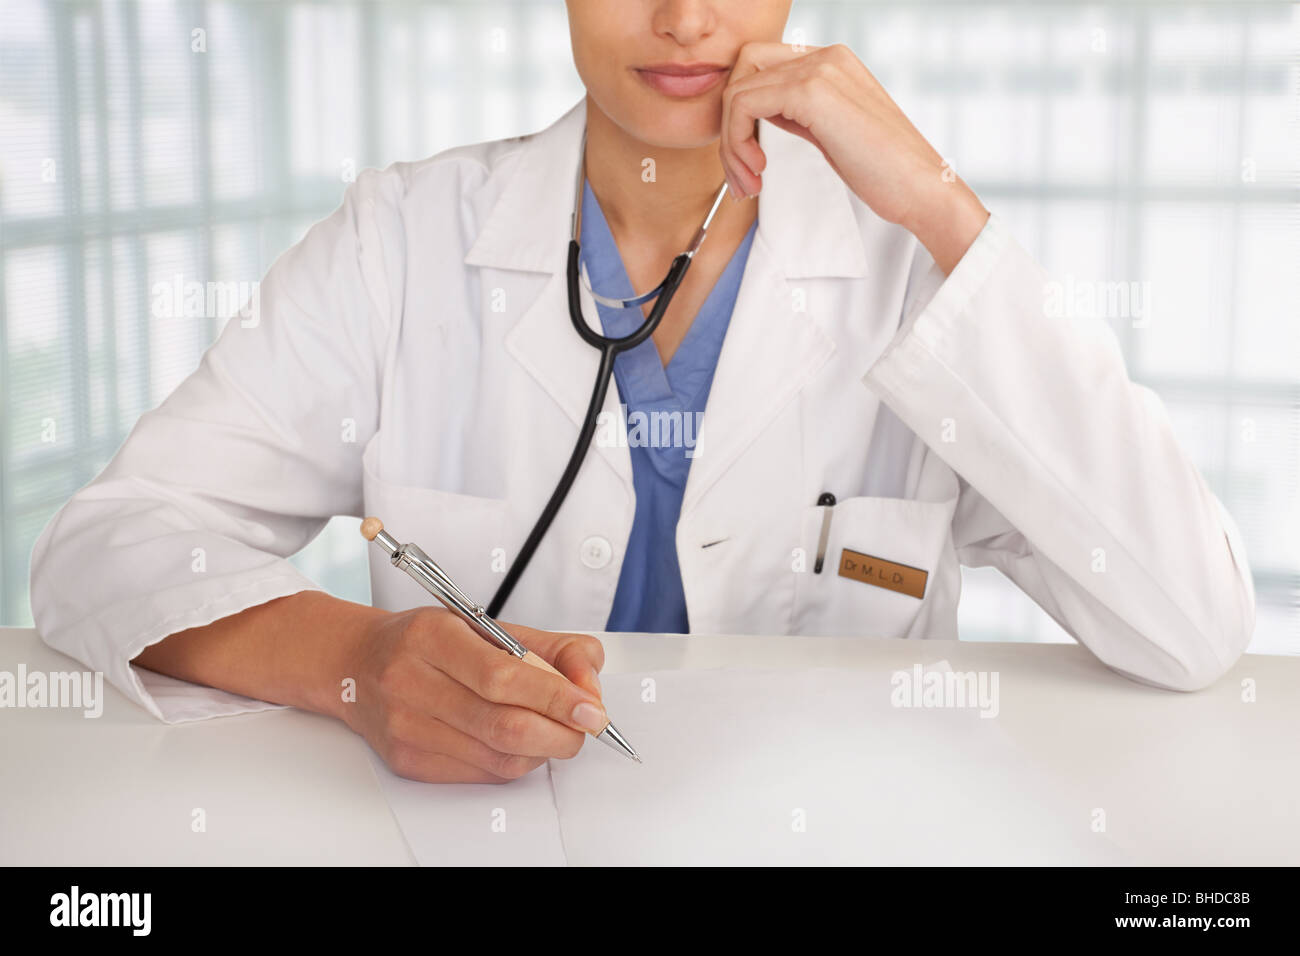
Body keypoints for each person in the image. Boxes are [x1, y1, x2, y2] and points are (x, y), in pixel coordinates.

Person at [30, 1, 1255, 783]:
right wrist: (358, 660)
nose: (682, 18)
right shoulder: (399, 242)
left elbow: (1188, 623)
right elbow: (110, 546)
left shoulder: (913, 277)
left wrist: (940, 206)